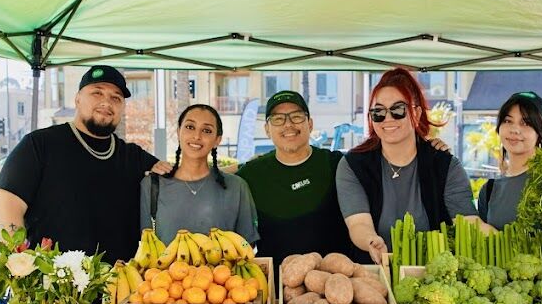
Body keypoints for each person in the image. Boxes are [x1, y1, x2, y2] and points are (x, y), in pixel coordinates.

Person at [0, 65, 167, 261]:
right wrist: (21, 267)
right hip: (55, 285)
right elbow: (7, 208)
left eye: (116, 98)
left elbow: (177, 180)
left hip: (122, 284)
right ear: (77, 99)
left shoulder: (133, 156)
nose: (106, 102)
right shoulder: (39, 145)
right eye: (97, 93)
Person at [336, 67, 482, 263]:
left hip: (433, 280)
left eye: (398, 110)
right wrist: (371, 241)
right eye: (378, 112)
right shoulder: (354, 165)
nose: (388, 118)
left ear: (417, 112)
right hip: (374, 279)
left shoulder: (445, 165)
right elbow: (358, 223)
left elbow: (469, 223)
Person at [237, 91, 356, 263]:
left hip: (333, 281)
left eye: (297, 117)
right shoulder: (250, 174)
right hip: (274, 284)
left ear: (310, 124)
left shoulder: (336, 164)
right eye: (278, 119)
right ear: (267, 130)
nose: (288, 125)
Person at [143, 104, 259, 245]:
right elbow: (146, 245)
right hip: (163, 267)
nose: (197, 136)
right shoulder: (152, 185)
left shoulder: (236, 187)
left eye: (206, 130)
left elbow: (246, 247)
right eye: (190, 127)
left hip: (222, 268)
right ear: (179, 131)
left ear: (217, 140)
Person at [477, 91, 542, 229]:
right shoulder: (489, 190)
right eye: (508, 121)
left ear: (540, 133)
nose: (514, 130)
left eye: (525, 123)